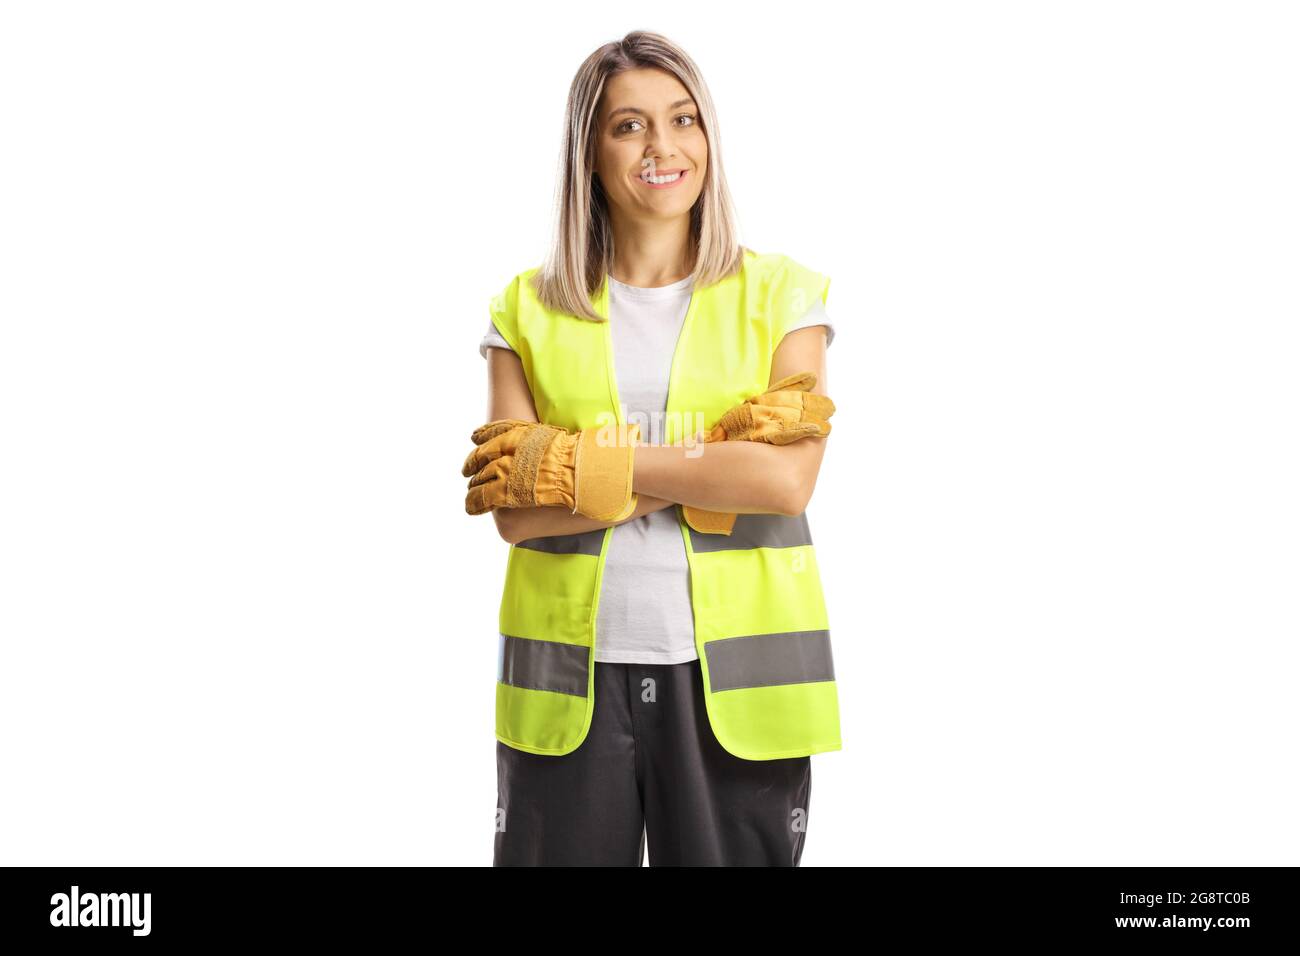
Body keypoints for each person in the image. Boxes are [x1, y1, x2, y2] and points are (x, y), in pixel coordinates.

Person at [464, 30, 842, 867]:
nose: (662, 147)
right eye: (628, 126)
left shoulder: (785, 298)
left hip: (735, 693)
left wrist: (585, 466)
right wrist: (711, 465)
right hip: (570, 683)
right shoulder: (522, 310)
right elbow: (515, 513)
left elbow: (783, 480)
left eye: (683, 119)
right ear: (589, 154)